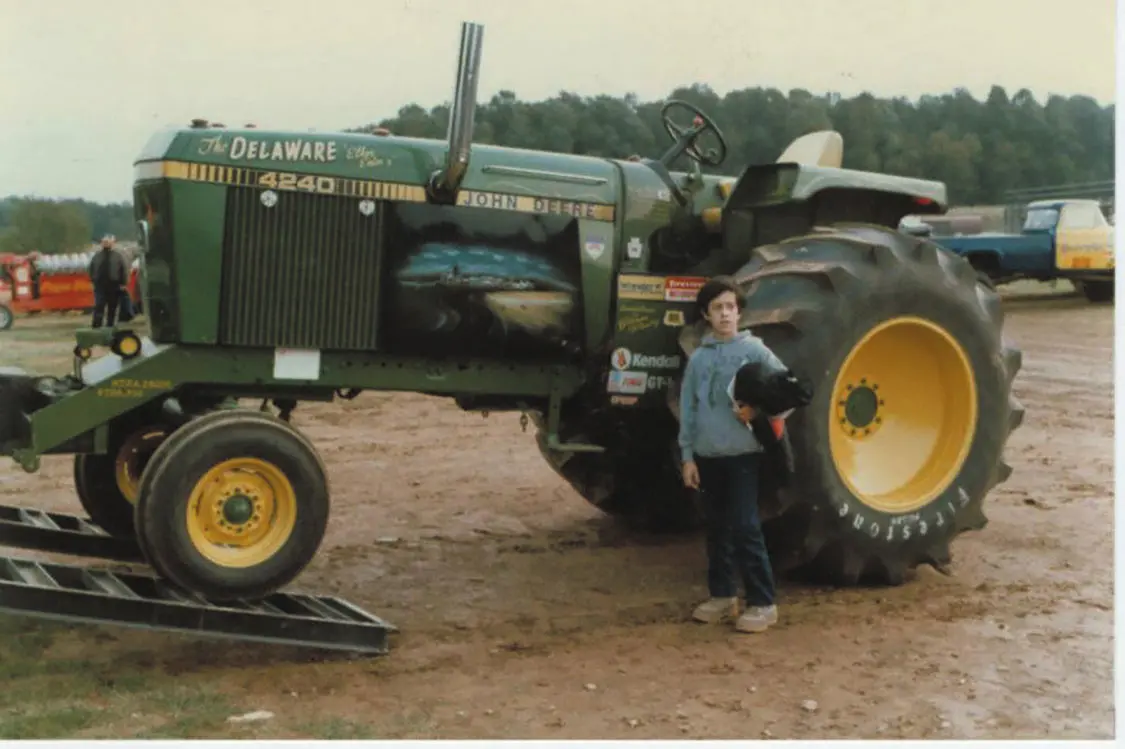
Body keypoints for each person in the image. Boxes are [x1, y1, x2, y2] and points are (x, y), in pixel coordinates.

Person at [677, 275, 791, 633]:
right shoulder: (698, 360)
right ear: (706, 315)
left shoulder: (755, 352)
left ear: (739, 312)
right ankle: (723, 596)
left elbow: (789, 392)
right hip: (707, 457)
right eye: (717, 308)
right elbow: (689, 409)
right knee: (716, 530)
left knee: (745, 526)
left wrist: (758, 412)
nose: (725, 314)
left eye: (730, 307)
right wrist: (688, 456)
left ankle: (763, 602)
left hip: (743, 455)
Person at [87, 235, 128, 328]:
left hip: (114, 285)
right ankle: (96, 326)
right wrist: (92, 280)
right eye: (105, 242)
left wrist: (124, 283)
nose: (106, 244)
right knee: (99, 305)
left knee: (112, 307)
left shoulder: (118, 256)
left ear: (113, 243)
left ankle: (110, 326)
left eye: (108, 242)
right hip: (100, 285)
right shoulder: (97, 256)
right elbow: (91, 268)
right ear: (102, 243)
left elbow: (123, 270)